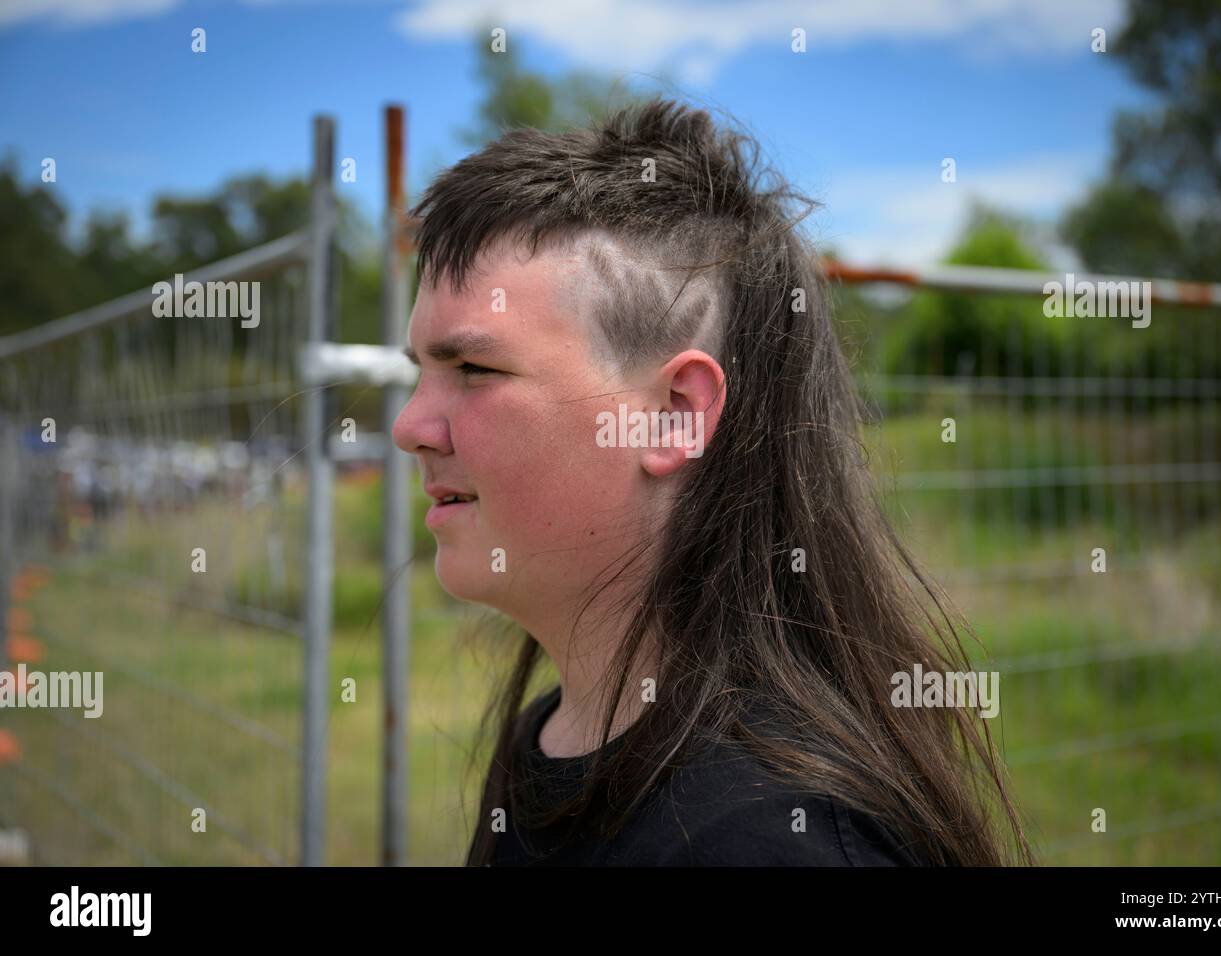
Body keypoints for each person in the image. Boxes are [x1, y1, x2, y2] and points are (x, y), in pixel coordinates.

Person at [393, 97, 1033, 866]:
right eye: (421, 371)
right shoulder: (553, 739)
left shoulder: (772, 843)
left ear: (673, 415)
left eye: (474, 369)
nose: (409, 426)